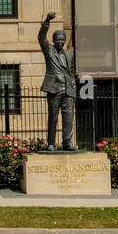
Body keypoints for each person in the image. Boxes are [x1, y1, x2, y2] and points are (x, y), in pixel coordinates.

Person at [37, 11, 77, 151]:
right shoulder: (49, 51)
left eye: (62, 39)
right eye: (57, 39)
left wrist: (73, 90)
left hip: (68, 91)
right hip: (54, 89)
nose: (60, 41)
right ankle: (51, 143)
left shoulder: (69, 54)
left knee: (68, 118)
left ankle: (67, 143)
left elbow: (71, 73)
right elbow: (41, 37)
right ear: (54, 40)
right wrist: (47, 20)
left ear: (65, 40)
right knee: (53, 118)